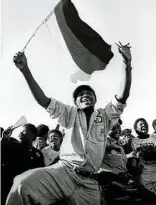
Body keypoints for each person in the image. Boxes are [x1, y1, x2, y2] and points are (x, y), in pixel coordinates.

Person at [7, 41, 132, 205]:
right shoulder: (69, 113)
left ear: (95, 99)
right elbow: (43, 100)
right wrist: (25, 70)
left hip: (90, 182)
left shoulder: (105, 116)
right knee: (22, 185)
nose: (85, 95)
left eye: (89, 93)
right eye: (80, 95)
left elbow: (122, 97)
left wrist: (126, 63)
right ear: (76, 102)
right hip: (63, 172)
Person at [1, 123, 45, 205]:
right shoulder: (10, 142)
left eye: (24, 131)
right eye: (20, 130)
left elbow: (38, 174)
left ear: (32, 135)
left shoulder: (37, 154)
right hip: (3, 185)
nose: (20, 132)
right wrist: (3, 139)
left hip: (20, 190)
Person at [132, 118, 156, 197]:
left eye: (145, 124)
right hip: (145, 178)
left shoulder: (154, 138)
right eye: (141, 124)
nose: (144, 125)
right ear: (136, 128)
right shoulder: (133, 142)